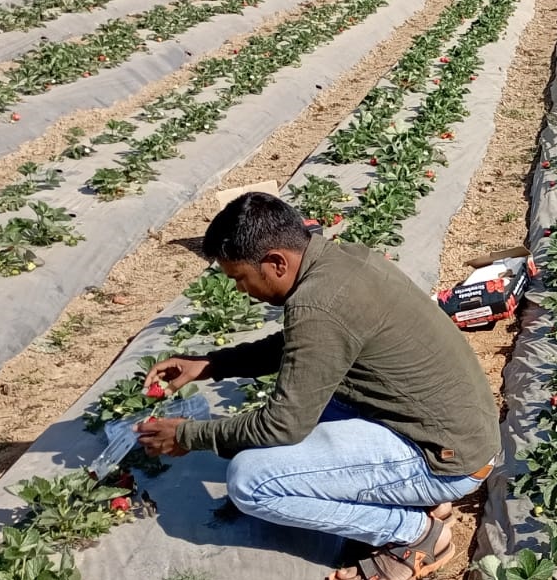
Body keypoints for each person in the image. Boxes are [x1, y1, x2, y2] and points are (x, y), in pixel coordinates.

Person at [135, 192, 501, 580]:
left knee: (250, 480)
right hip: (455, 432)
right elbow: (300, 347)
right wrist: (210, 365)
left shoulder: (317, 305)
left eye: (240, 278)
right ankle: (421, 501)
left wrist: (189, 435)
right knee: (300, 410)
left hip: (444, 460)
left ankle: (415, 534)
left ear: (276, 263)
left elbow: (281, 426)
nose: (242, 290)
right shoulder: (342, 261)